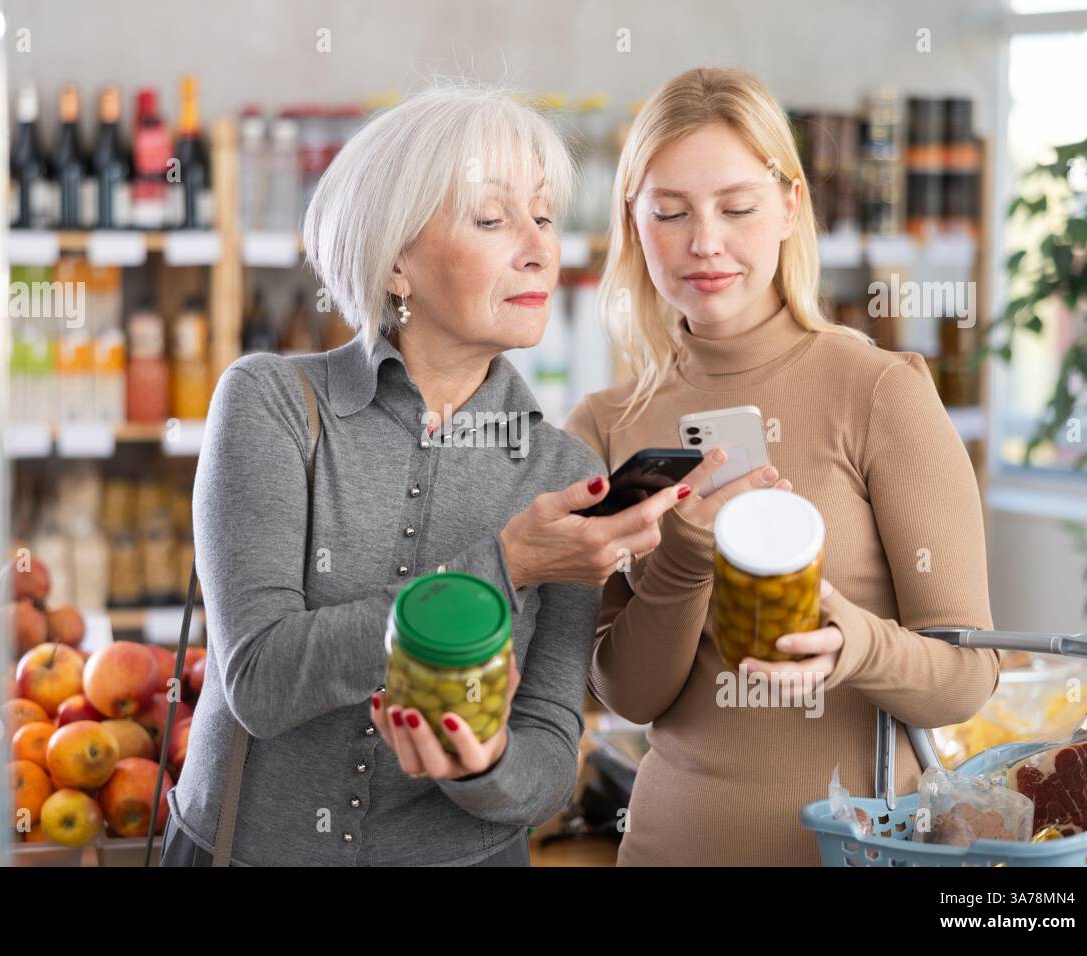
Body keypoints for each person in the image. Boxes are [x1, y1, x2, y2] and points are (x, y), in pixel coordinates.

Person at [163, 83, 693, 866]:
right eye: (492, 218)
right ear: (396, 261)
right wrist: (507, 565)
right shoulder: (270, 405)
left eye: (544, 217)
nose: (539, 246)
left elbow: (550, 756)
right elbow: (261, 679)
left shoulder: (562, 470)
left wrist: (484, 767)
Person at [564, 67, 999, 865]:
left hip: (864, 851)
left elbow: (968, 680)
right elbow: (627, 694)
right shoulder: (602, 424)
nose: (705, 241)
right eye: (670, 211)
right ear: (633, 222)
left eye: (737, 207)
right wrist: (686, 561)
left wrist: (859, 645)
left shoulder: (879, 391)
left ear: (790, 206)